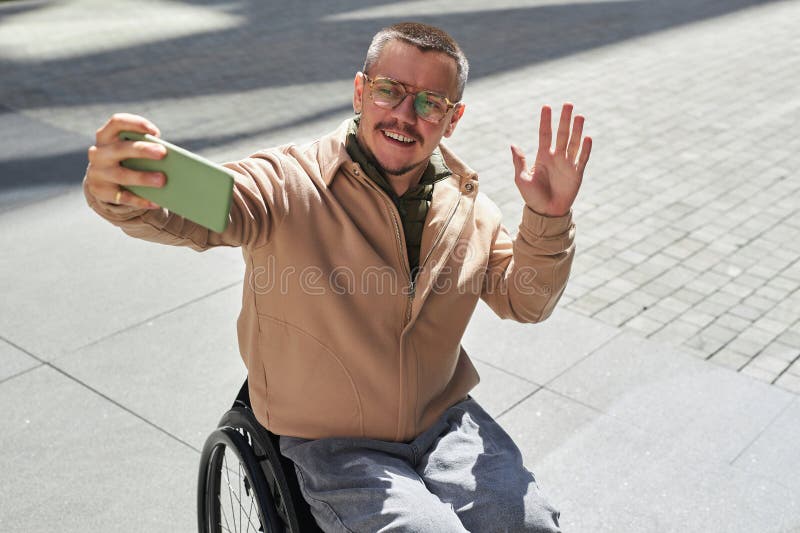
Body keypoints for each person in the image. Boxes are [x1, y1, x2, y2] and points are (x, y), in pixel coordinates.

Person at [84, 22, 590, 533]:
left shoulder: (472, 209)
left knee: (528, 523)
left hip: (443, 424)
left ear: (452, 119)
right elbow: (220, 202)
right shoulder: (289, 184)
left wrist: (548, 220)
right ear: (360, 91)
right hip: (333, 440)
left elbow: (526, 302)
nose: (403, 115)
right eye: (389, 91)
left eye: (430, 102)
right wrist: (130, 187)